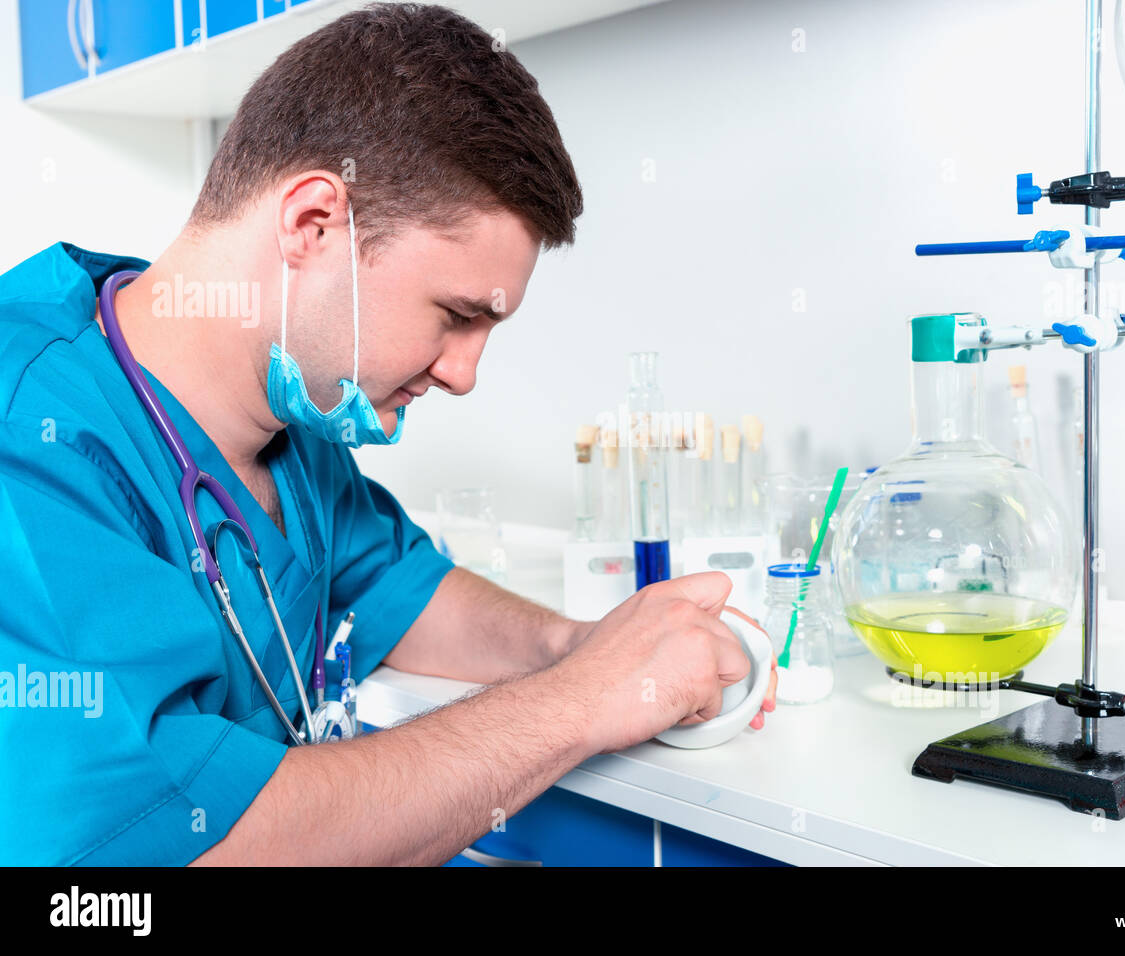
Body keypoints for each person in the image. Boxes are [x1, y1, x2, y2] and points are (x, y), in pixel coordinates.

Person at [0, 2, 776, 866]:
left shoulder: (298, 417)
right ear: (312, 224)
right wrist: (584, 697)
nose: (463, 373)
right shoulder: (31, 443)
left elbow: (393, 589)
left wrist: (577, 643)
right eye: (453, 315)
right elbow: (199, 850)